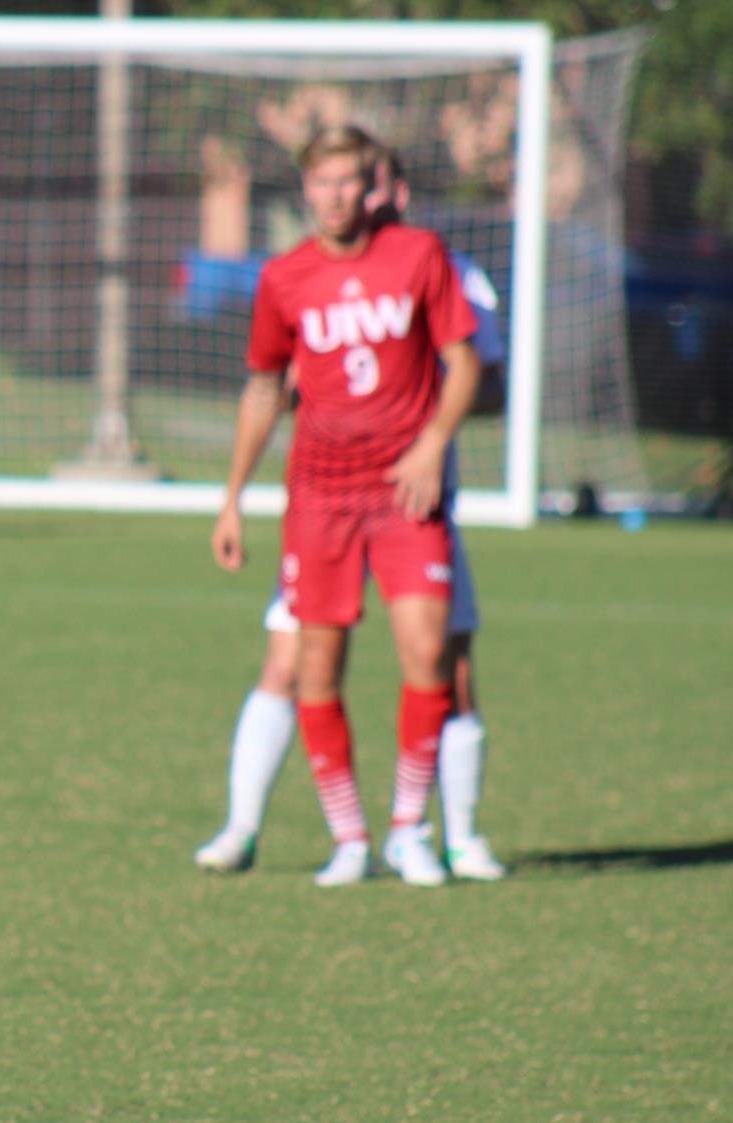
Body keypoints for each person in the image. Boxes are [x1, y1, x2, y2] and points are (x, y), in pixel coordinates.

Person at [196, 144, 507, 882]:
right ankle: (347, 839)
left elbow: (469, 363)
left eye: (348, 181)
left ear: (372, 189)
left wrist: (432, 444)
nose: (335, 196)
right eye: (321, 182)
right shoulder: (285, 276)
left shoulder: (423, 258)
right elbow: (264, 387)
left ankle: (414, 829)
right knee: (308, 665)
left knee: (434, 654)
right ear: (306, 188)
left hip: (407, 493)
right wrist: (233, 497)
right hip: (321, 498)